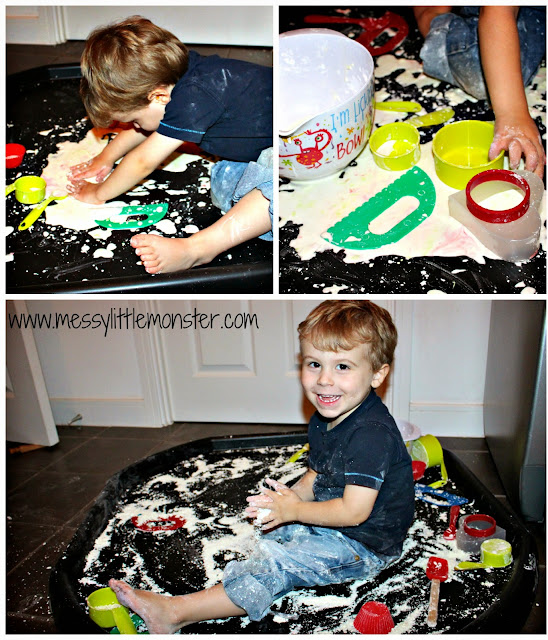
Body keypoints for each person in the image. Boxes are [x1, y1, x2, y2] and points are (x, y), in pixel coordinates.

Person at [108, 301, 415, 633]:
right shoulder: (326, 416)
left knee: (276, 565)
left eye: (342, 367)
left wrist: (295, 510)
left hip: (365, 544)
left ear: (378, 373)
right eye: (314, 364)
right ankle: (247, 572)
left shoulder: (371, 435)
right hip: (338, 521)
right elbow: (318, 472)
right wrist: (287, 499)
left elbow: (354, 512)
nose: (324, 380)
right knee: (272, 527)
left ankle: (175, 612)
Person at [67, 16, 273, 274]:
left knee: (271, 194)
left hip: (294, 148)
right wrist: (105, 158)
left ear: (158, 96)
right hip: (263, 150)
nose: (134, 126)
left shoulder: (194, 96)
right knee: (227, 186)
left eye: (132, 119)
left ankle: (198, 249)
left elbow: (143, 161)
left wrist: (98, 194)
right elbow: (147, 126)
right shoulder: (171, 79)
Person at [414, 6, 546, 178]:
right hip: (497, 10)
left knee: (507, 75)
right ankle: (432, 15)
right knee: (480, 73)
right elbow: (498, 9)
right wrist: (512, 113)